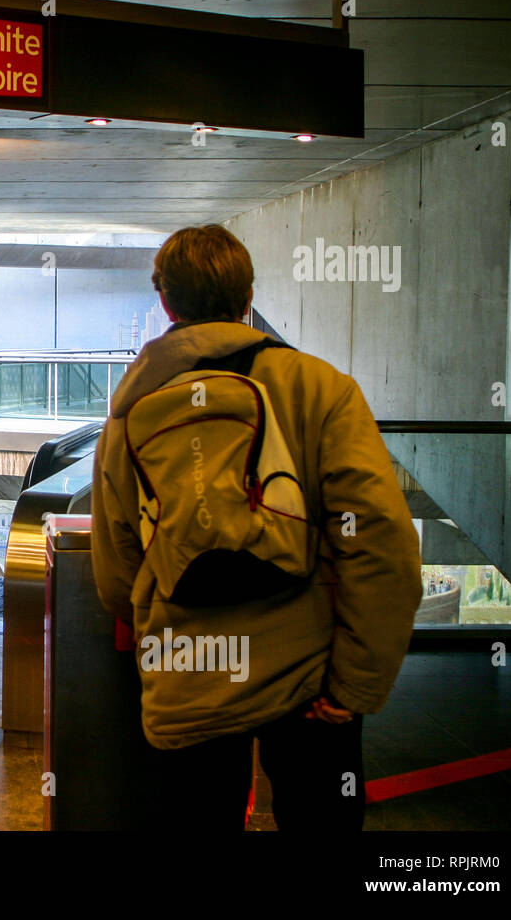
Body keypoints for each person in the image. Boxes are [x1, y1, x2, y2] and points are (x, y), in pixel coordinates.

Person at [90, 224, 421, 832]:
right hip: (310, 681)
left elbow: (116, 570)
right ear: (247, 299)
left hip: (190, 670)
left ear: (166, 303)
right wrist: (355, 685)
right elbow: (381, 543)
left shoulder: (129, 413)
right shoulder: (321, 389)